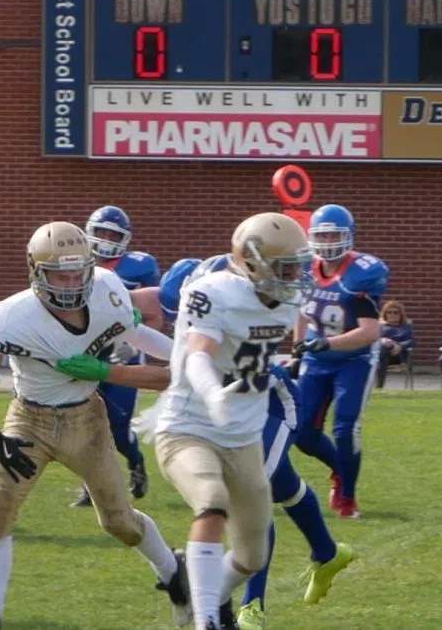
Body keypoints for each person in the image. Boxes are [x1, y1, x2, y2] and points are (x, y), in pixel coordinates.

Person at [0, 222, 186, 629]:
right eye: (59, 274)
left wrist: (184, 359)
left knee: (119, 522)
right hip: (28, 418)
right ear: (35, 270)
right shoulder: (11, 318)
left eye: (76, 272)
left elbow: (136, 334)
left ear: (89, 267)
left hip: (86, 417)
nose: (70, 283)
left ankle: (174, 571)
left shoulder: (108, 289)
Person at [134, 255, 356, 630]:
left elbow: (190, 363)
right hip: (228, 412)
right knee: (285, 485)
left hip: (271, 404)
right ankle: (328, 552)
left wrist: (107, 370)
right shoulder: (206, 306)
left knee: (255, 493)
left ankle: (251, 605)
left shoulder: (233, 307)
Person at [154, 213, 313, 629]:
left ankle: (196, 591)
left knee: (251, 556)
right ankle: (207, 620)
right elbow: (200, 353)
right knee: (211, 501)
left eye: (298, 266)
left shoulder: (288, 300)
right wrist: (210, 392)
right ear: (253, 262)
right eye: (286, 267)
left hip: (243, 436)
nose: (295, 276)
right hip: (189, 425)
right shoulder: (212, 292)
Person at [291, 204, 389, 519]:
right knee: (303, 432)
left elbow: (370, 332)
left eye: (335, 234)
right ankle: (339, 468)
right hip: (318, 359)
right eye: (323, 234)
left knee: (345, 427)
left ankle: (347, 496)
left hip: (355, 359)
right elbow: (301, 312)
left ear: (348, 236)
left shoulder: (362, 273)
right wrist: (298, 346)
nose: (329, 241)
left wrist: (325, 343)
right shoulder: (305, 268)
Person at [71, 205, 161, 508]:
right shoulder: (74, 263)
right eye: (102, 232)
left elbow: (155, 315)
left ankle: (135, 461)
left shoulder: (140, 266)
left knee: (119, 430)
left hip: (125, 356)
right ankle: (91, 488)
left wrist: (134, 344)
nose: (107, 239)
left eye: (114, 234)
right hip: (89, 353)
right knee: (87, 425)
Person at [376, 301, 415, 388]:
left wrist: (400, 346)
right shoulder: (380, 326)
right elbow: (373, 340)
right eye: (389, 312)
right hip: (382, 354)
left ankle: (379, 386)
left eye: (396, 312)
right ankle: (379, 386)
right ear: (385, 314)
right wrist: (383, 340)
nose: (392, 314)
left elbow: (412, 341)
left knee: (382, 352)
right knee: (383, 347)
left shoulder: (406, 326)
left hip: (399, 356)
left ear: (400, 314)